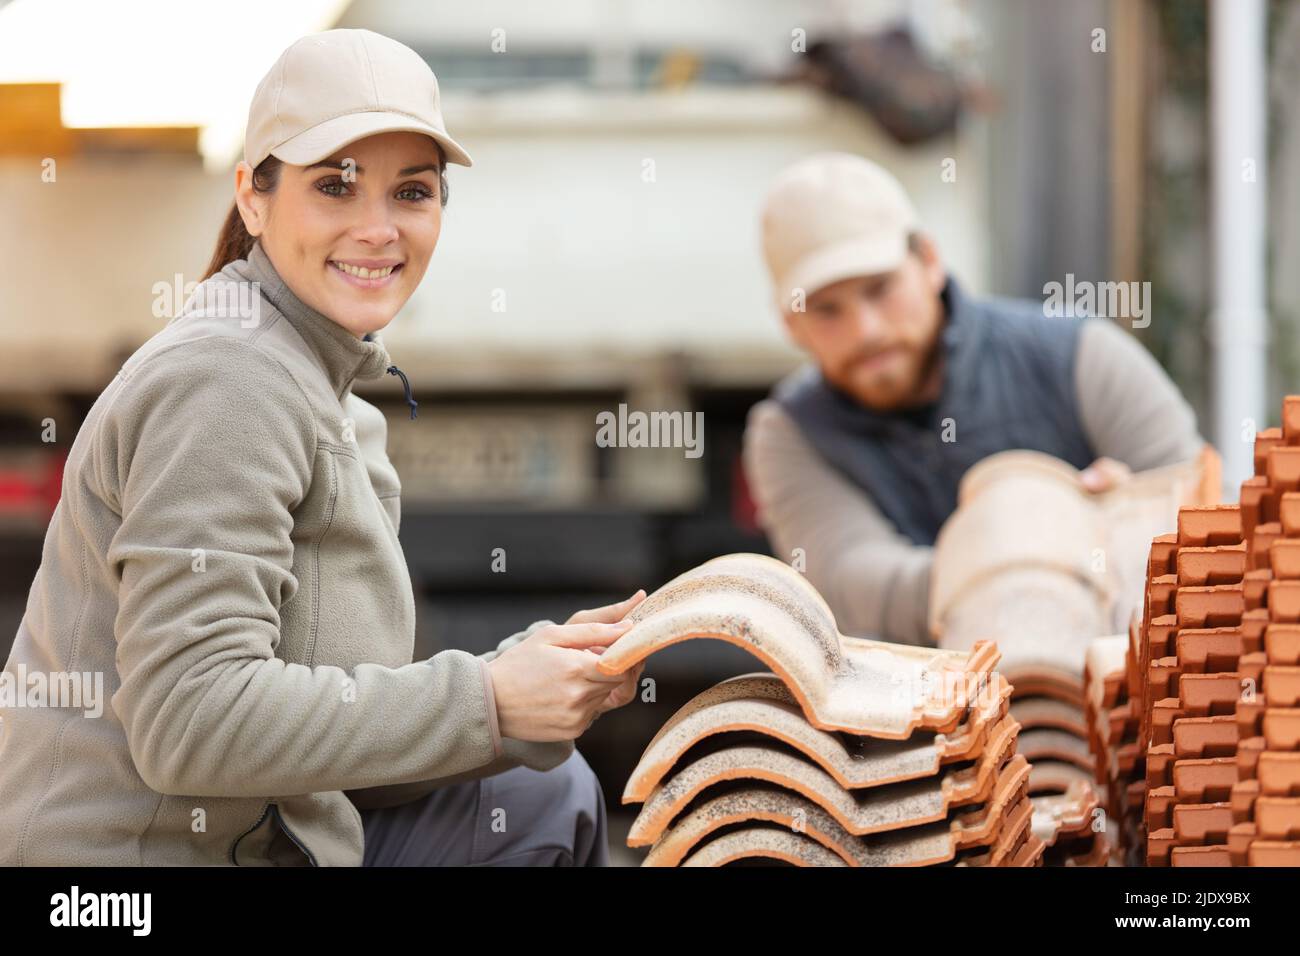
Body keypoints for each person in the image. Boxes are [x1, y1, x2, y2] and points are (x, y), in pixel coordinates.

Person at [0, 28, 645, 867]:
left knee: (535, 794)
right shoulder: (227, 377)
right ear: (253, 197)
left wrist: (523, 683)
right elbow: (189, 722)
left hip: (260, 840)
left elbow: (337, 746)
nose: (378, 229)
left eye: (411, 192)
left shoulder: (326, 389)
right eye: (336, 185)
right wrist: (486, 699)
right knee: (544, 804)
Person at [742, 153, 1206, 647]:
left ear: (930, 261)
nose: (867, 330)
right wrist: (1075, 538)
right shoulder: (788, 436)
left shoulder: (1084, 357)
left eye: (880, 289)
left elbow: (1198, 521)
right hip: (926, 721)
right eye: (827, 310)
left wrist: (1130, 517)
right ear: (790, 323)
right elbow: (856, 585)